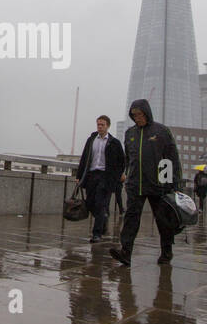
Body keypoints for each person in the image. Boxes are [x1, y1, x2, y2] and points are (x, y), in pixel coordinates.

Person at [110, 99, 180, 267]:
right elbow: (128, 158)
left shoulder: (161, 131)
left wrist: (173, 184)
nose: (137, 118)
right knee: (131, 218)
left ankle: (166, 251)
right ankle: (125, 252)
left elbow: (172, 159)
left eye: (140, 114)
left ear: (147, 113)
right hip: (135, 185)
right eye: (134, 115)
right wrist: (126, 174)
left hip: (158, 185)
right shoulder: (130, 133)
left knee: (163, 220)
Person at [76, 115, 125, 243]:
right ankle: (103, 218)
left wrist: (118, 176)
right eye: (98, 124)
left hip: (105, 177)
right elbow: (84, 158)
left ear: (108, 126)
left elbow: (121, 161)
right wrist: (79, 176)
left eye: (102, 125)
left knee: (100, 203)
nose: (99, 127)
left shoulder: (114, 143)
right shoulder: (91, 140)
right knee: (90, 203)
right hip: (92, 175)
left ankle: (96, 233)